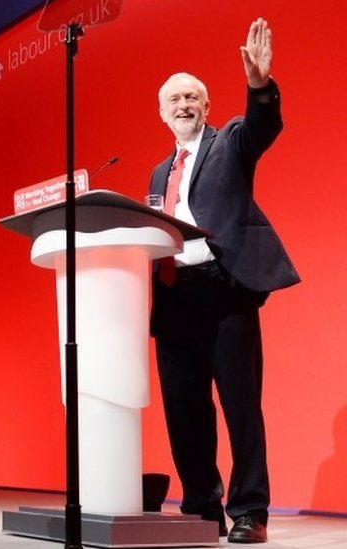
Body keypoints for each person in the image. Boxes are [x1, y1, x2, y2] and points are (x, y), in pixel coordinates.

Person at [148, 18, 299, 544]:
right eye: (175, 100)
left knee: (239, 404)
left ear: (207, 108)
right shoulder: (156, 172)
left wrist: (259, 85)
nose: (185, 105)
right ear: (163, 113)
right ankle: (201, 508)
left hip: (223, 289)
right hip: (173, 296)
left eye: (193, 97)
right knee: (184, 409)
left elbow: (263, 127)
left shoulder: (230, 140)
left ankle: (250, 512)